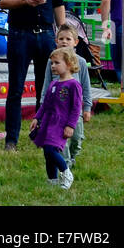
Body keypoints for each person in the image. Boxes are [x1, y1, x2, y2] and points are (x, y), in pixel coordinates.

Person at [0, 0, 65, 149]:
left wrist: (62, 32)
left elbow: (58, 3)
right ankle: (11, 139)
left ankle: (42, 134)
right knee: (15, 87)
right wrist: (24, 0)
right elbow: (3, 2)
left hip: (45, 34)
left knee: (44, 88)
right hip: (20, 34)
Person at [30, 47, 83, 190]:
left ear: (69, 64)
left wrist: (71, 125)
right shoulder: (54, 84)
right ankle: (52, 180)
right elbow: (45, 104)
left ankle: (66, 172)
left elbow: (76, 108)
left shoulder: (73, 85)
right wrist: (37, 118)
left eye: (57, 63)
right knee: (47, 153)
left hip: (61, 124)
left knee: (50, 149)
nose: (53, 66)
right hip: (48, 122)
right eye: (52, 63)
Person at [41, 24, 91, 167]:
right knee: (60, 139)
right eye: (61, 38)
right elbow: (46, 85)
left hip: (75, 111)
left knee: (76, 138)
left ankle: (73, 156)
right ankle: (66, 165)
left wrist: (87, 108)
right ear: (56, 41)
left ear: (76, 42)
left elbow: (86, 87)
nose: (64, 41)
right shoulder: (52, 62)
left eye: (68, 39)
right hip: (56, 111)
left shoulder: (80, 62)